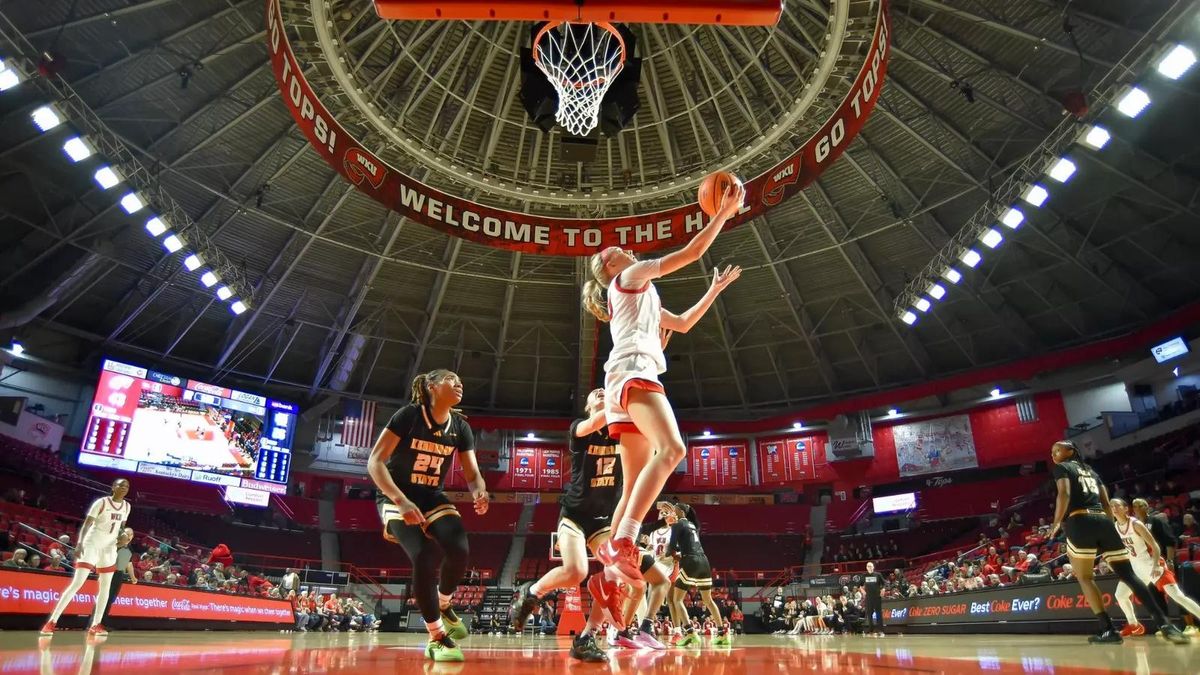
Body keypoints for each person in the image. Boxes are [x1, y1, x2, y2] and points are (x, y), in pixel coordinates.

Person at [581, 182, 744, 586]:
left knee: (634, 485)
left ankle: (608, 575)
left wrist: (714, 290)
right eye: (617, 250)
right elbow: (690, 254)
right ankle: (625, 540)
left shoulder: (643, 296)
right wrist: (721, 214)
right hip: (634, 371)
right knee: (672, 449)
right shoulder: (629, 277)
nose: (625, 249)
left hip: (623, 377)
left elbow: (683, 323)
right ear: (611, 265)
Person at [509, 389, 669, 661]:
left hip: (604, 520)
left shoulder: (624, 432)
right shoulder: (580, 428)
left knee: (615, 576)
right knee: (576, 571)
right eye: (596, 394)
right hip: (574, 514)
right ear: (587, 406)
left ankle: (586, 637)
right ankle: (532, 591)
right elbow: (596, 422)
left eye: (605, 390)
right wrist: (624, 397)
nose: (601, 392)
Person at [367, 369, 489, 663]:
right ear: (432, 386)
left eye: (461, 380)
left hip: (431, 495)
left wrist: (480, 491)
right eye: (451, 379)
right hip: (397, 494)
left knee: (459, 549)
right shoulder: (409, 416)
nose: (459, 383)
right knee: (424, 554)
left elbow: (472, 474)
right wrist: (401, 501)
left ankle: (444, 604)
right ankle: (436, 637)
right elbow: (375, 462)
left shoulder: (460, 426)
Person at [1046, 441, 1187, 644]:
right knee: (1129, 575)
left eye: (1057, 450)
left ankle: (1108, 630)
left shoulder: (1062, 467)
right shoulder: (1091, 471)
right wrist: (1107, 526)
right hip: (1104, 521)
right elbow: (1105, 502)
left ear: (1071, 451)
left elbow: (1065, 493)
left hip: (1080, 521)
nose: (1053, 454)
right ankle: (1165, 625)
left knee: (1085, 577)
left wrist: (1056, 523)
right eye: (1052, 451)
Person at [41, 479, 133, 638]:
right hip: (92, 544)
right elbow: (87, 524)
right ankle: (51, 622)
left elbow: (121, 527)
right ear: (113, 487)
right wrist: (79, 544)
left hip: (109, 547)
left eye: (127, 486)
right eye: (121, 485)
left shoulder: (127, 506)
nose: (124, 488)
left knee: (106, 587)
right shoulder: (101, 503)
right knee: (77, 583)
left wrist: (123, 536)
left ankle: (96, 624)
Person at [1110, 498, 1200, 637]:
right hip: (1136, 569)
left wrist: (1156, 564)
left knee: (1178, 596)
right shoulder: (1115, 526)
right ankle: (1134, 625)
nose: (1114, 508)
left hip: (1152, 565)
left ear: (1126, 508)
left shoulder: (1136, 524)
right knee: (1120, 595)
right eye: (1111, 506)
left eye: (1117, 505)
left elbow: (1155, 546)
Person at [662, 504, 731, 647]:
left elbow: (671, 549)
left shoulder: (677, 525)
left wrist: (668, 554)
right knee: (708, 600)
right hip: (704, 561)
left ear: (681, 512)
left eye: (675, 510)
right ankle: (722, 634)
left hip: (691, 561)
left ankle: (690, 632)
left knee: (676, 600)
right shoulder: (692, 525)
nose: (673, 513)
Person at [101, 528, 137, 623]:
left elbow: (129, 564)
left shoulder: (129, 549)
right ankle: (97, 621)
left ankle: (103, 621)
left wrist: (133, 577)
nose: (129, 536)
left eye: (131, 534)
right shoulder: (115, 545)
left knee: (111, 598)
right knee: (105, 598)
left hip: (119, 575)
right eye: (127, 534)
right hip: (110, 573)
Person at [863, 561, 884, 637]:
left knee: (878, 614)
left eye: (871, 566)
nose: (869, 567)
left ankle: (880, 630)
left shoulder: (878, 575)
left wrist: (883, 589)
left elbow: (884, 583)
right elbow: (859, 585)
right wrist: (862, 591)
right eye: (868, 566)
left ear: (873, 567)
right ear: (866, 568)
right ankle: (871, 630)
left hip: (877, 597)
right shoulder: (864, 576)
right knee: (869, 614)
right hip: (869, 598)